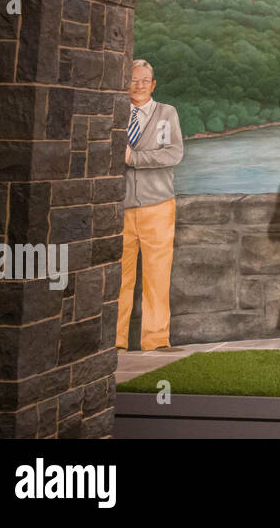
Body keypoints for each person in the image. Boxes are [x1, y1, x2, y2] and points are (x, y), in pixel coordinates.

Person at [117, 59, 184, 351]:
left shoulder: (166, 114)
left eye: (145, 80)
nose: (139, 85)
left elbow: (173, 154)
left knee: (157, 278)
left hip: (158, 207)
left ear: (153, 84)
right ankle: (114, 341)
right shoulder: (114, 115)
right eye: (134, 80)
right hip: (119, 208)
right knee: (118, 278)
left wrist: (134, 159)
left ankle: (156, 340)